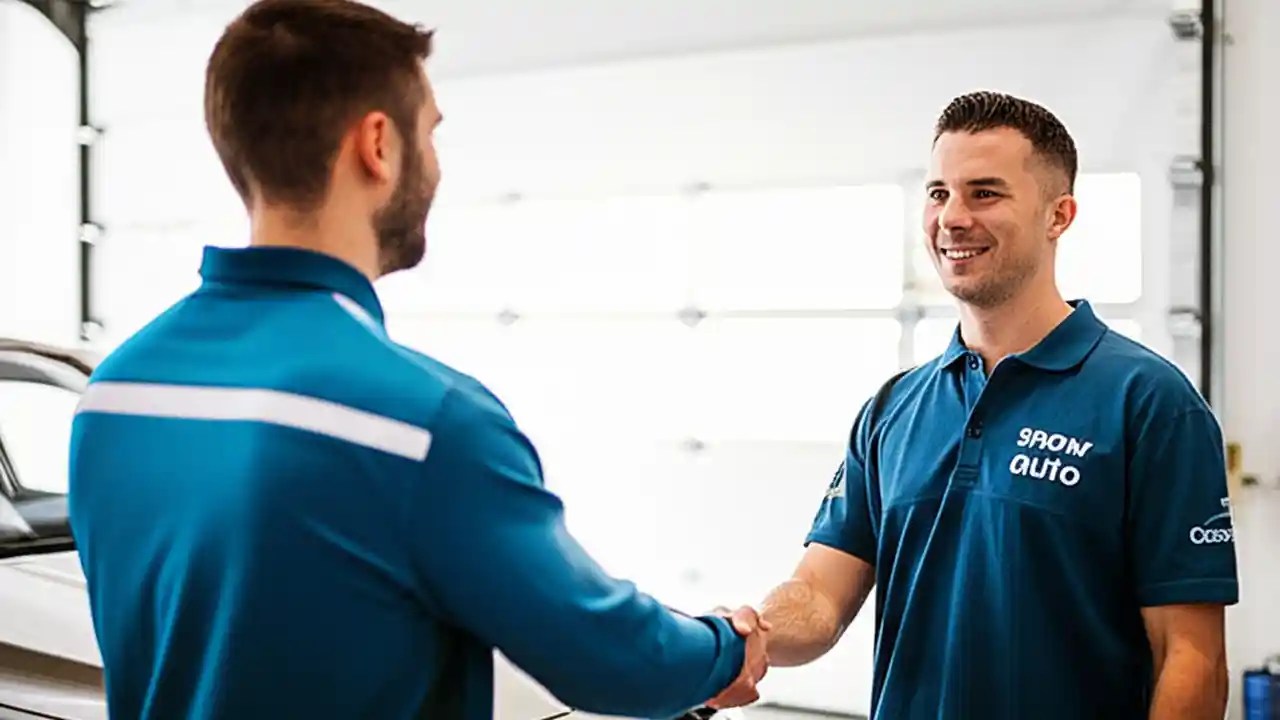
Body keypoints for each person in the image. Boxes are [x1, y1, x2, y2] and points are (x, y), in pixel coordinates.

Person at [66, 1, 766, 718]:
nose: (434, 163)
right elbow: (615, 658)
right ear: (378, 143)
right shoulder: (420, 425)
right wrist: (724, 647)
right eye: (429, 133)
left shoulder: (111, 392)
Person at [712, 91, 1239, 719]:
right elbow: (819, 598)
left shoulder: (1150, 403)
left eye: (984, 193)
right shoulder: (892, 409)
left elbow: (1192, 658)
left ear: (1059, 215)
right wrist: (750, 635)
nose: (952, 218)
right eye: (939, 194)